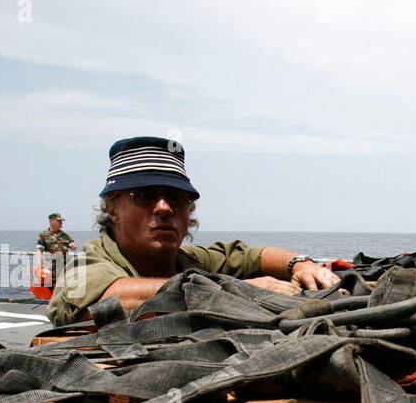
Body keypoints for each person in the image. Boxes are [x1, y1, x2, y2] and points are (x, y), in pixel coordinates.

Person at [47, 137, 338, 325]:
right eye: (146, 195)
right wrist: (232, 290)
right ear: (112, 209)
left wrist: (300, 264)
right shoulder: (90, 265)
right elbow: (101, 299)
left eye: (176, 198)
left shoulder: (189, 262)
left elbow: (252, 256)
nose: (163, 208)